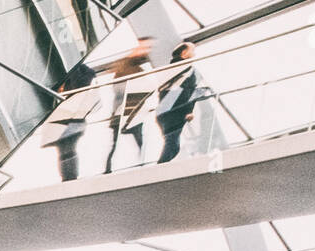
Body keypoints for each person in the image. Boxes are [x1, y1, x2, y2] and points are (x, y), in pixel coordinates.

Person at [101, 38, 153, 174]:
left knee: (121, 141)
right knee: (132, 141)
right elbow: (121, 90)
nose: (145, 51)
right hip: (127, 111)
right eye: (144, 47)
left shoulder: (132, 68)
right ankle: (140, 166)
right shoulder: (128, 67)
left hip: (129, 111)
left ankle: (109, 169)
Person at [43, 61, 97, 182]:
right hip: (70, 119)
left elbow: (76, 88)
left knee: (66, 150)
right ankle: (69, 177)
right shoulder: (80, 77)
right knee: (66, 150)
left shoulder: (76, 77)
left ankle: (69, 177)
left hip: (70, 119)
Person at [156, 42, 199, 163]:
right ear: (184, 53)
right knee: (172, 145)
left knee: (173, 145)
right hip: (174, 111)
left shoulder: (171, 69)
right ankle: (157, 172)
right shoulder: (186, 70)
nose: (194, 54)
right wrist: (188, 111)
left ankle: (158, 170)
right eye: (192, 50)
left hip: (165, 111)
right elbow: (188, 92)